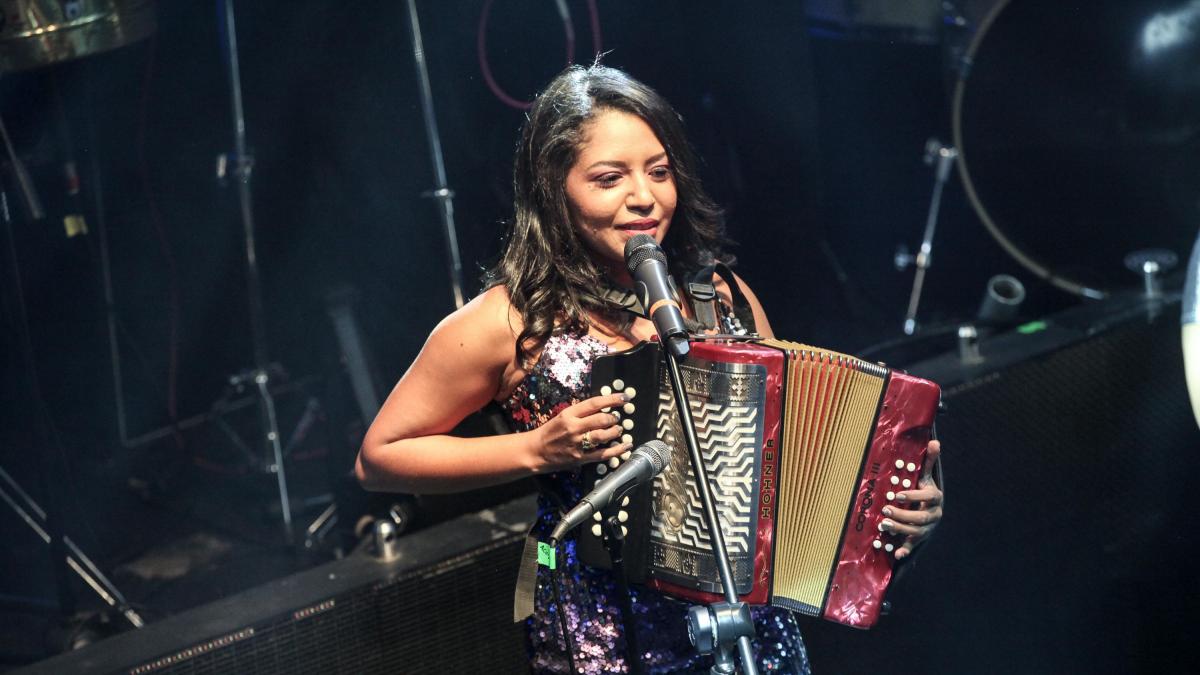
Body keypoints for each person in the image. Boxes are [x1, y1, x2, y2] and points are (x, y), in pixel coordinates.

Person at [356, 63, 944, 674]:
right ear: (554, 189)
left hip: (748, 633)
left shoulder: (721, 294)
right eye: (609, 178)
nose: (645, 197)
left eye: (659, 172)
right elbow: (381, 456)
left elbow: (792, 464)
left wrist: (890, 510)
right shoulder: (505, 320)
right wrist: (535, 449)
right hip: (608, 636)